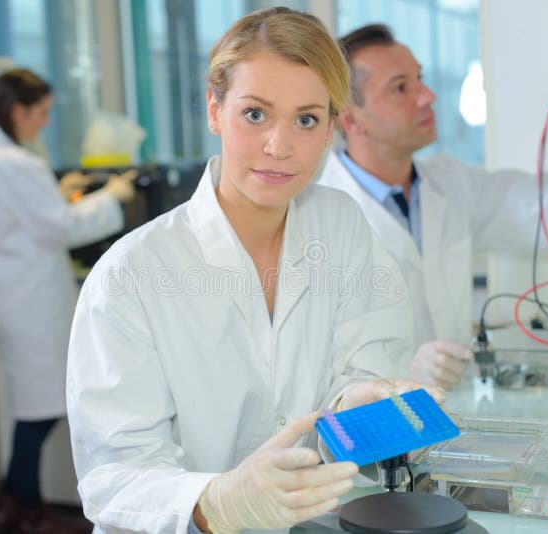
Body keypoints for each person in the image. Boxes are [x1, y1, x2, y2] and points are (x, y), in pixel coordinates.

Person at [66, 8, 441, 534]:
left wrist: (358, 398)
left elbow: (362, 362)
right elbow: (114, 478)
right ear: (215, 110)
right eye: (255, 114)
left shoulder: (340, 224)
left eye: (306, 119)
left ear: (333, 127)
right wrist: (218, 501)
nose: (279, 146)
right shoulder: (130, 276)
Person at [317, 24, 548, 388]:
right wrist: (392, 375)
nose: (427, 95)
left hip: (451, 417)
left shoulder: (451, 184)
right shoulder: (314, 217)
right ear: (349, 118)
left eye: (420, 79)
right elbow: (305, 367)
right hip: (368, 433)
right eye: (401, 87)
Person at [0, 68, 137, 534]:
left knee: (37, 406)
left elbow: (30, 217)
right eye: (40, 113)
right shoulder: (11, 163)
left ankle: (17, 502)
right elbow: (60, 228)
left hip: (20, 295)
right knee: (39, 410)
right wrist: (111, 195)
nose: (43, 123)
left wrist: (56, 195)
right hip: (30, 301)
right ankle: (21, 508)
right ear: (17, 111)